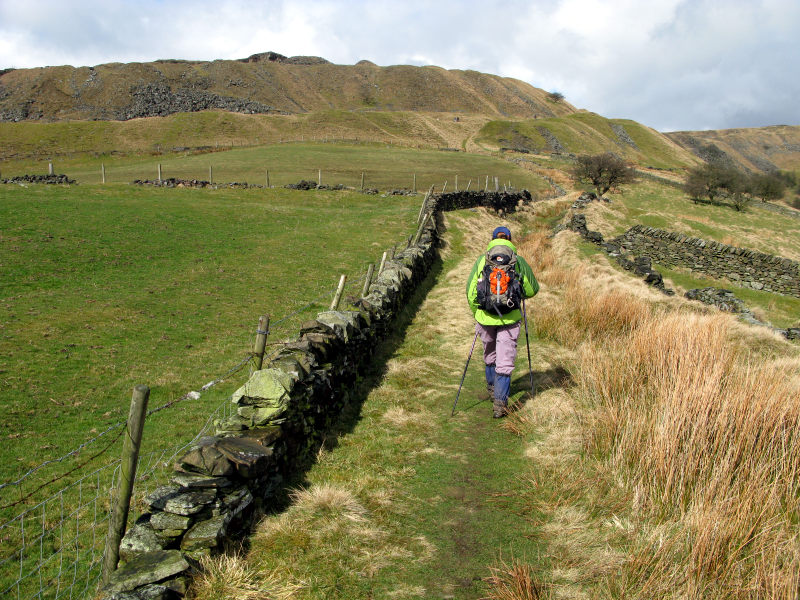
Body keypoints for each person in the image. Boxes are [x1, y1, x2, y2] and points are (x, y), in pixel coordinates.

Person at [466, 226, 539, 418]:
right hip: (510, 317)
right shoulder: (518, 261)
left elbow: (471, 292)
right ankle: (500, 404)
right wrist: (515, 294)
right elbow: (532, 290)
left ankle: (491, 388)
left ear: (491, 239)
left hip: (485, 318)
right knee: (505, 359)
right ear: (510, 239)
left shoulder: (482, 260)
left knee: (490, 354)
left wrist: (478, 312)